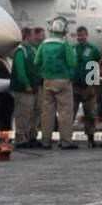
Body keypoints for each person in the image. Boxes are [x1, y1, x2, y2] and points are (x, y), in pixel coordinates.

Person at [34, 16, 79, 150]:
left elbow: (36, 62)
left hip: (47, 81)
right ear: (64, 30)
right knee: (65, 112)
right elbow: (72, 62)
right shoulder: (65, 45)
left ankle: (46, 141)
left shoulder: (44, 44)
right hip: (63, 81)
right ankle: (66, 141)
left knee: (47, 112)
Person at [71, 26, 102, 146]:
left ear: (87, 35)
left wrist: (95, 82)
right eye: (78, 35)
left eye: (82, 35)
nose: (80, 37)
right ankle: (67, 137)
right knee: (71, 112)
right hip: (74, 85)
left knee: (90, 113)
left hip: (89, 86)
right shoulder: (72, 48)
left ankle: (91, 137)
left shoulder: (93, 49)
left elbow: (100, 63)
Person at [10, 27, 40, 148]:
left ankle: (30, 136)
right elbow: (20, 70)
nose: (35, 37)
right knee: (23, 113)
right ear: (27, 36)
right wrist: (26, 84)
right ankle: (20, 137)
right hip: (24, 89)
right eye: (33, 34)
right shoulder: (21, 51)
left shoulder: (31, 49)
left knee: (33, 113)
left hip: (33, 88)